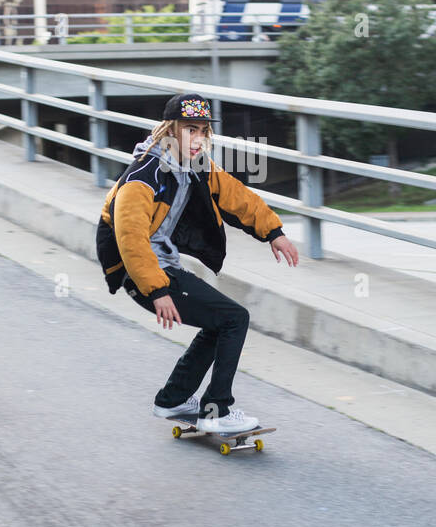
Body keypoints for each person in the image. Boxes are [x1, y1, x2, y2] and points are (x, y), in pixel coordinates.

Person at [96, 93, 299, 433]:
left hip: (160, 265)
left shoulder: (195, 166)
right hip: (139, 269)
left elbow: (236, 196)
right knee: (235, 318)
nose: (199, 139)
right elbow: (130, 239)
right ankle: (217, 410)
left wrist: (273, 232)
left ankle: (173, 398)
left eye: (204, 131)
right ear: (170, 130)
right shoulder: (142, 176)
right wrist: (157, 290)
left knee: (221, 321)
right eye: (191, 130)